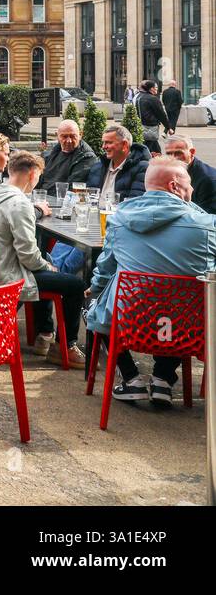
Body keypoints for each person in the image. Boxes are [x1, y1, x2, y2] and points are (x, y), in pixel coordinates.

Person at [87, 157, 216, 406]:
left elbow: (105, 268)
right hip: (187, 329)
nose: (192, 191)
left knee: (96, 308)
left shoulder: (119, 218)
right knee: (181, 299)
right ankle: (163, 379)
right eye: (189, 185)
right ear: (174, 186)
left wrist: (95, 288)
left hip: (130, 320)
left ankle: (131, 379)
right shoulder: (207, 226)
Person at [0, 151, 87, 368]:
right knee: (75, 284)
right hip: (9, 276)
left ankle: (44, 335)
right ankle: (66, 347)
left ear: (9, 170)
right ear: (33, 174)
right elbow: (28, 256)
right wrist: (48, 267)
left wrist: (43, 265)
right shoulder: (19, 203)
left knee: (44, 267)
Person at [85, 123, 149, 202]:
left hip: (120, 214)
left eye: (109, 142)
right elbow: (87, 198)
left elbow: (134, 205)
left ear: (125, 145)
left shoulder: (142, 169)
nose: (103, 147)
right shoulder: (97, 168)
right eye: (103, 142)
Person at [36, 119, 97, 191]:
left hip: (61, 200)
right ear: (57, 136)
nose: (69, 141)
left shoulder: (86, 157)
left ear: (80, 135)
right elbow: (37, 180)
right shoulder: (52, 153)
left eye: (72, 136)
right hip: (42, 198)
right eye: (64, 136)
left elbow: (72, 189)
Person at [162, 134, 216, 213]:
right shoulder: (167, 172)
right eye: (169, 154)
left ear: (192, 152)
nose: (173, 158)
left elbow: (208, 218)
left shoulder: (208, 179)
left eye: (178, 153)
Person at [133, 80, 168, 152]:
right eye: (156, 87)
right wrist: (168, 127)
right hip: (150, 127)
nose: (157, 89)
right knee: (152, 147)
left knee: (150, 146)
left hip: (140, 125)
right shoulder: (153, 99)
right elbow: (161, 114)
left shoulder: (138, 97)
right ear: (151, 88)